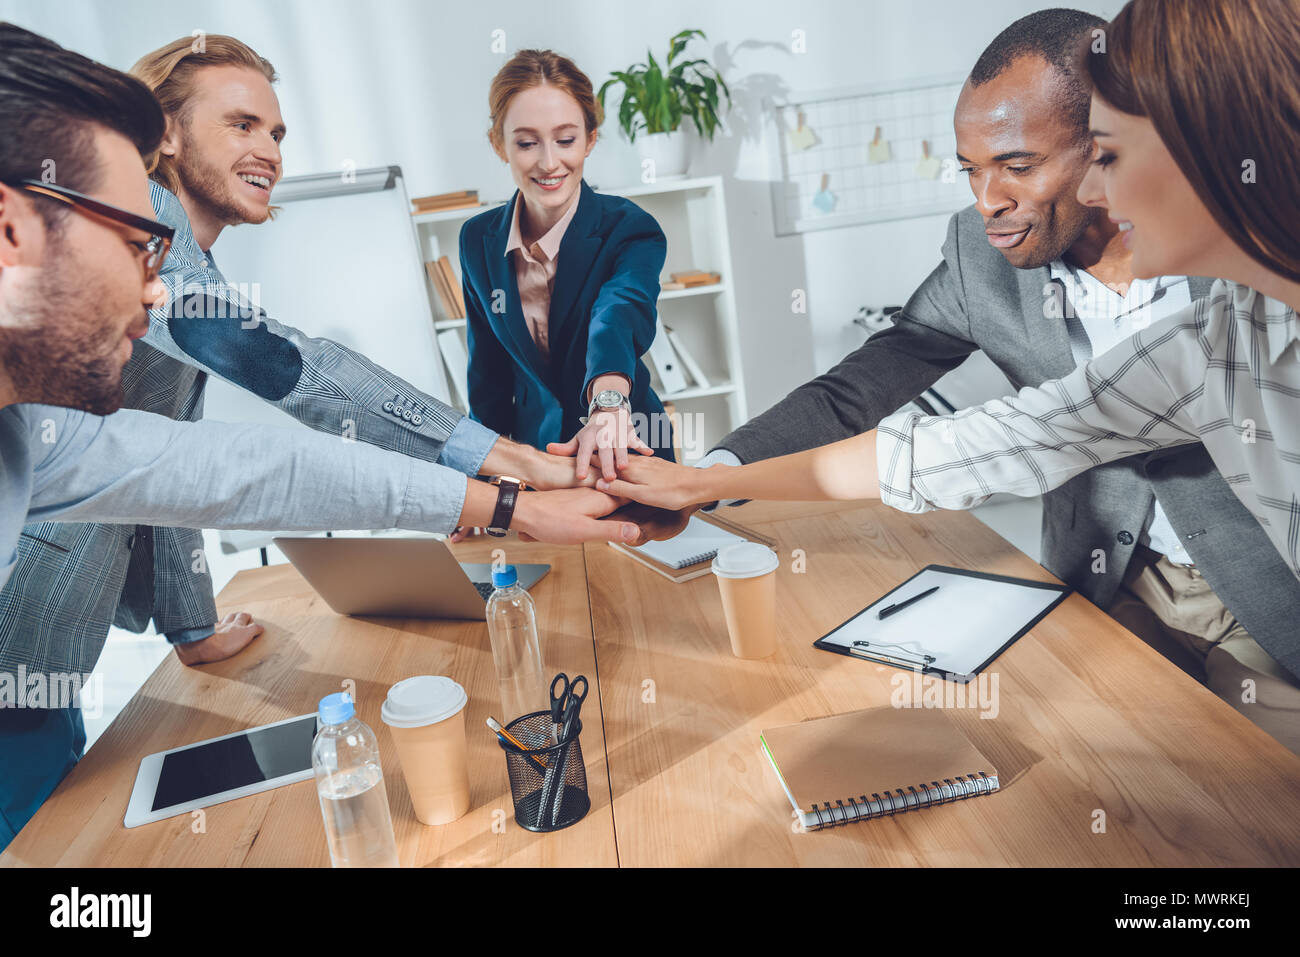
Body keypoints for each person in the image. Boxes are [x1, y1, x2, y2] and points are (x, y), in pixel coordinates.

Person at [602, 0, 1300, 753]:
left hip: (1263, 598)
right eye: (971, 170)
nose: (985, 200)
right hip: (1108, 583)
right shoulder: (1195, 344)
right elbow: (993, 438)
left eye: (1025, 165)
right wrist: (708, 477)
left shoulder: (1229, 311)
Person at [0, 22, 634, 852]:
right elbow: (274, 361)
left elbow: (197, 466)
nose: (269, 148)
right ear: (166, 134)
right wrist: (495, 458)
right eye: (240, 124)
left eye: (276, 130)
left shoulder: (99, 369)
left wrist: (191, 626)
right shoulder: (151, 225)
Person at [460, 48, 673, 485]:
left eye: (565, 139)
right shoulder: (477, 241)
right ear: (499, 144)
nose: (549, 162)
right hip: (535, 465)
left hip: (628, 448)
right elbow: (489, 377)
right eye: (526, 142)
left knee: (650, 554)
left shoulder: (630, 228)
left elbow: (616, 313)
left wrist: (609, 402)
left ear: (590, 139)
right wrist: (478, 478)